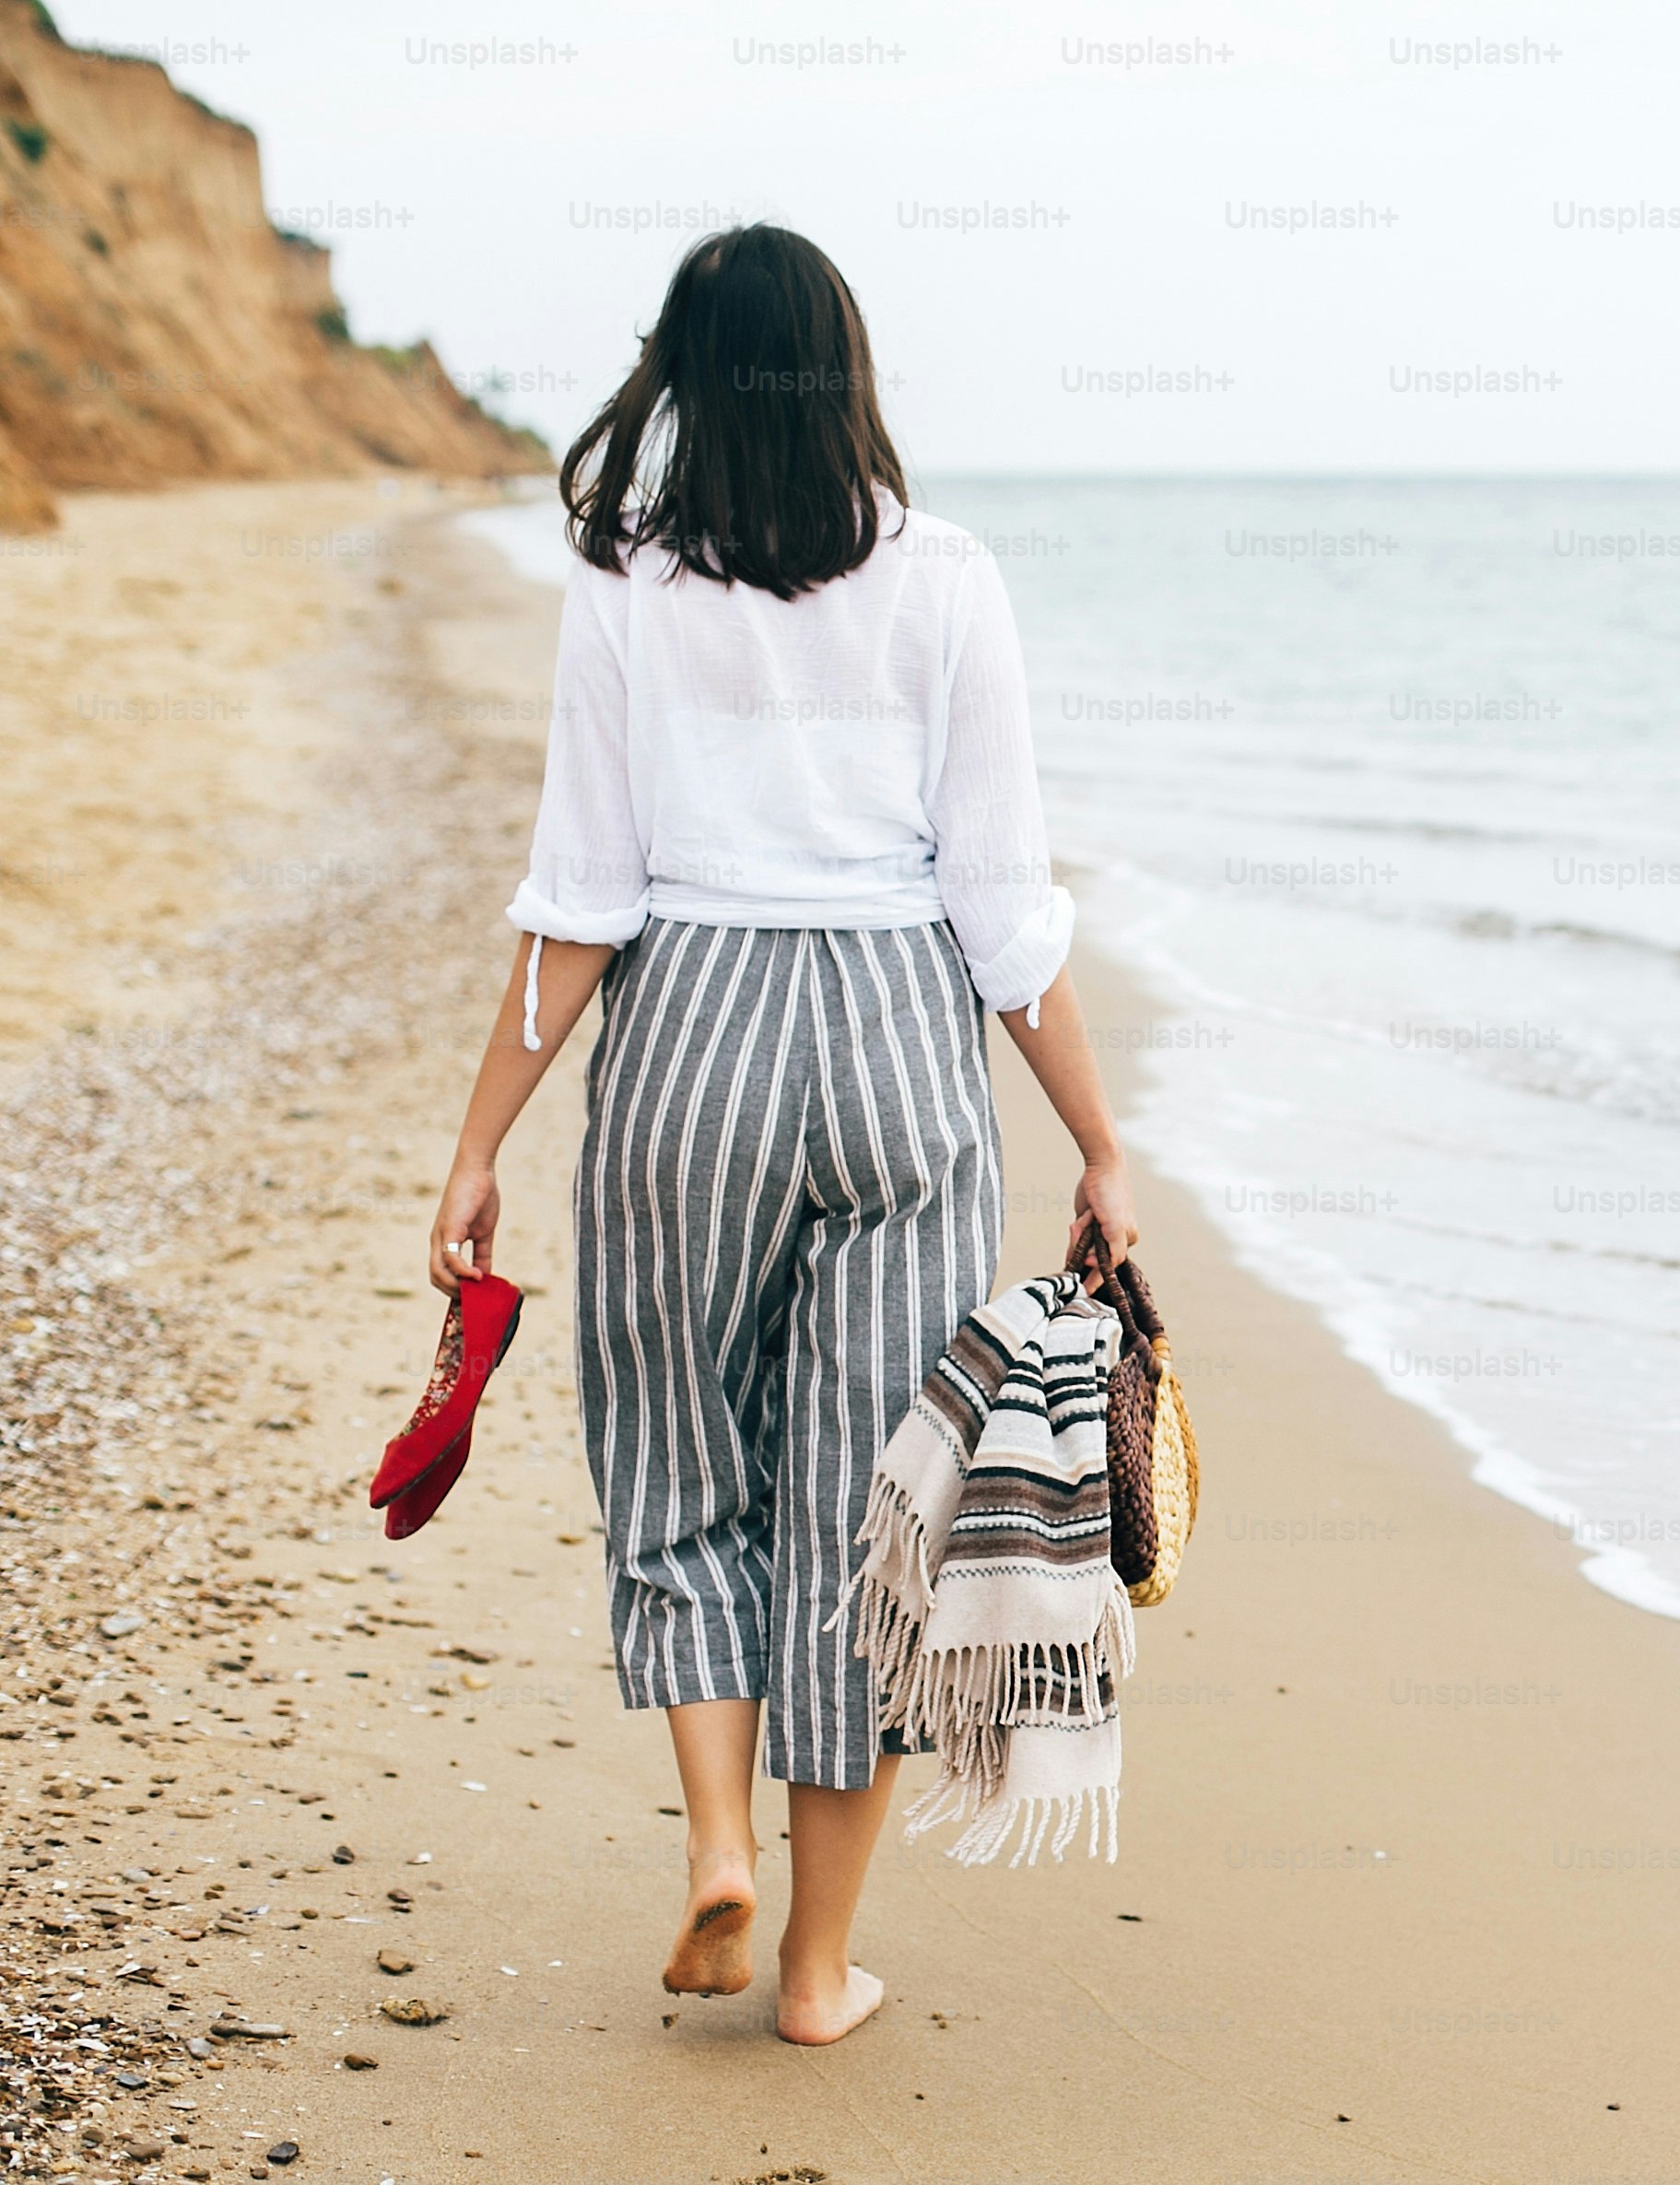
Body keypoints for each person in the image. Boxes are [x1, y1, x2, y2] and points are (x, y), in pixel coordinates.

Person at [420, 225, 1136, 2045]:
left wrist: (478, 1144)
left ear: (684, 379)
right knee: (870, 1508)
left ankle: (719, 1842)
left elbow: (579, 896)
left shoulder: (625, 580)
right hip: (899, 1040)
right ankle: (818, 1973)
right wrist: (1099, 1143)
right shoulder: (946, 576)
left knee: (678, 1453)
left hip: (692, 1038)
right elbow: (1003, 907)